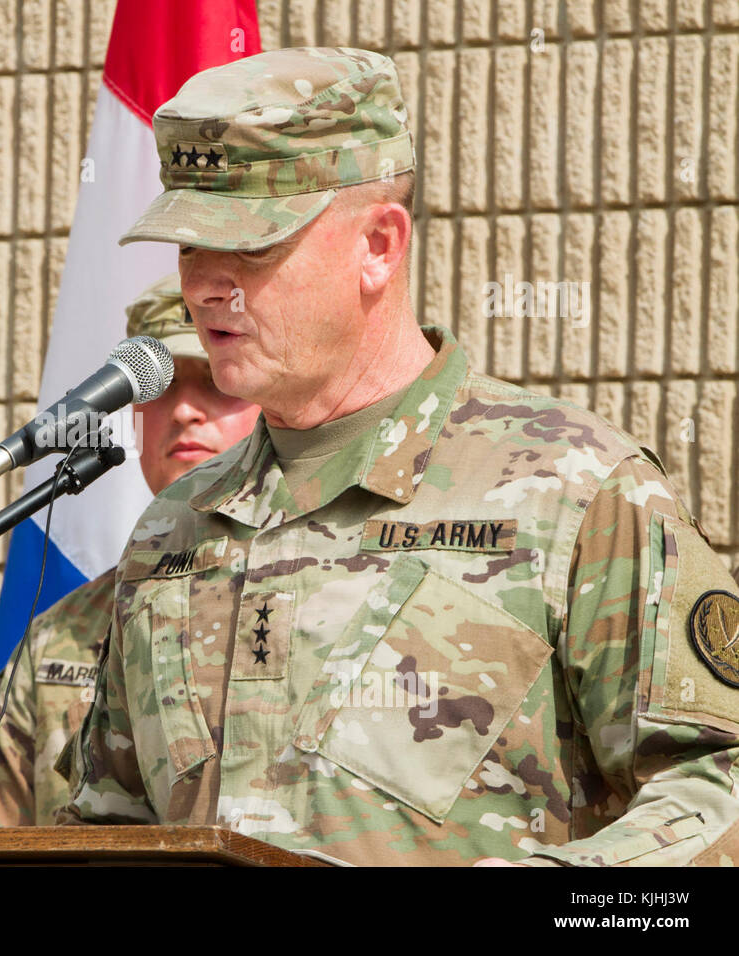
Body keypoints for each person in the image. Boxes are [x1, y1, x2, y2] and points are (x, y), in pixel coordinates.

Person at [59, 47, 739, 867]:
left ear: (379, 245)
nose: (207, 285)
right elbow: (108, 829)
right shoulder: (173, 529)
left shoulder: (578, 492)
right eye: (188, 248)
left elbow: (719, 786)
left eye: (250, 246)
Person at [0, 274, 262, 826]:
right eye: (161, 390)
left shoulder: (323, 590)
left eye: (214, 381)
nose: (185, 411)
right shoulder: (58, 638)